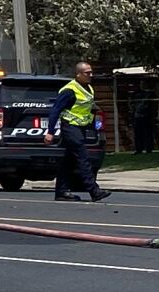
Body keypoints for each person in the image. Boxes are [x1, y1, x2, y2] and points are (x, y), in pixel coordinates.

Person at [44, 62, 111, 202]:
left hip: (81, 128)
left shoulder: (88, 88)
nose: (90, 75)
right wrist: (50, 132)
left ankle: (61, 192)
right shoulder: (69, 90)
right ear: (78, 74)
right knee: (83, 157)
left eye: (91, 72)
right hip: (70, 128)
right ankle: (94, 190)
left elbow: (87, 108)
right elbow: (55, 111)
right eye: (87, 73)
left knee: (69, 160)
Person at [131, 81, 158, 155]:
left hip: (147, 116)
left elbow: (153, 105)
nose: (142, 85)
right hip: (137, 116)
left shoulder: (150, 94)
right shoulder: (136, 94)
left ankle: (148, 148)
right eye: (141, 84)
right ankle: (138, 149)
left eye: (144, 84)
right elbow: (132, 103)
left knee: (148, 133)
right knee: (138, 133)